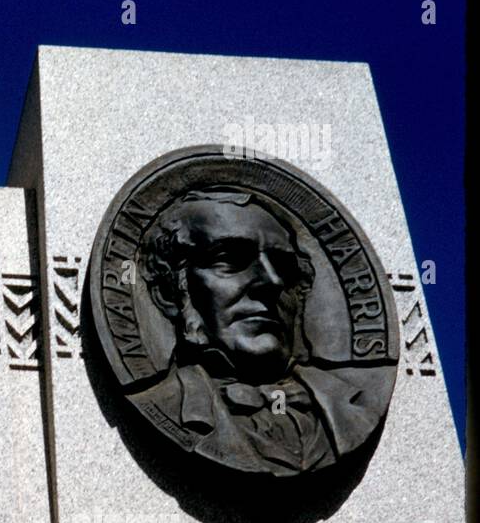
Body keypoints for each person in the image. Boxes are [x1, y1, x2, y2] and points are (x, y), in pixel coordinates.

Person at [131, 188, 390, 475]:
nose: (272, 281)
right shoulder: (162, 402)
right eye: (229, 260)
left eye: (283, 266)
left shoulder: (354, 405)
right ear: (169, 293)